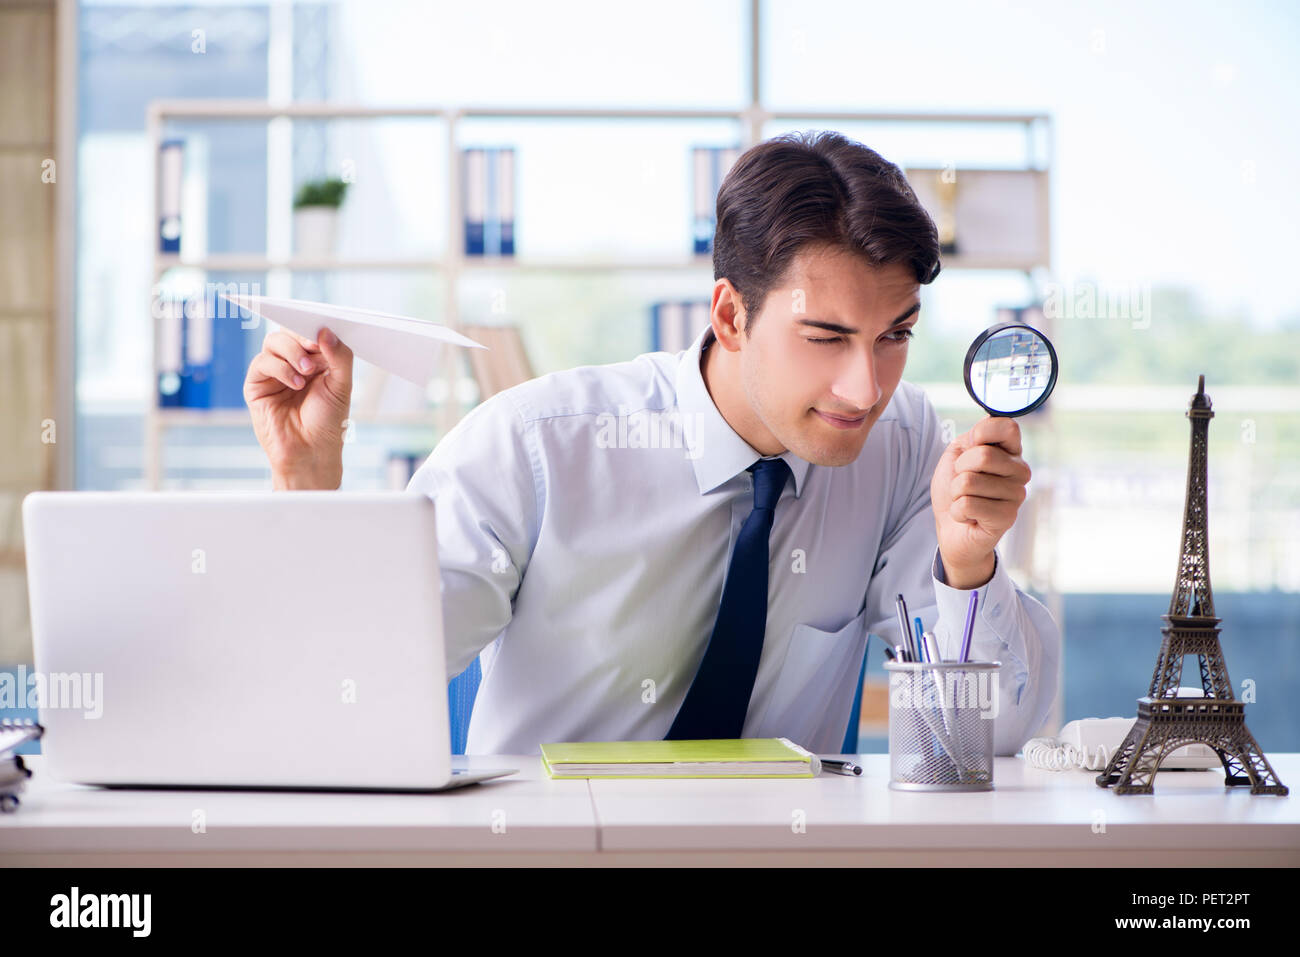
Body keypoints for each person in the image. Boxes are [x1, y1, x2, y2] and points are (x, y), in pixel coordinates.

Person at [244, 130, 1061, 757]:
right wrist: (307, 489)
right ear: (731, 315)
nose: (866, 387)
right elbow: (350, 688)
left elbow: (982, 744)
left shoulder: (905, 446)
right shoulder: (535, 449)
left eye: (895, 336)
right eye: (827, 337)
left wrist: (968, 568)